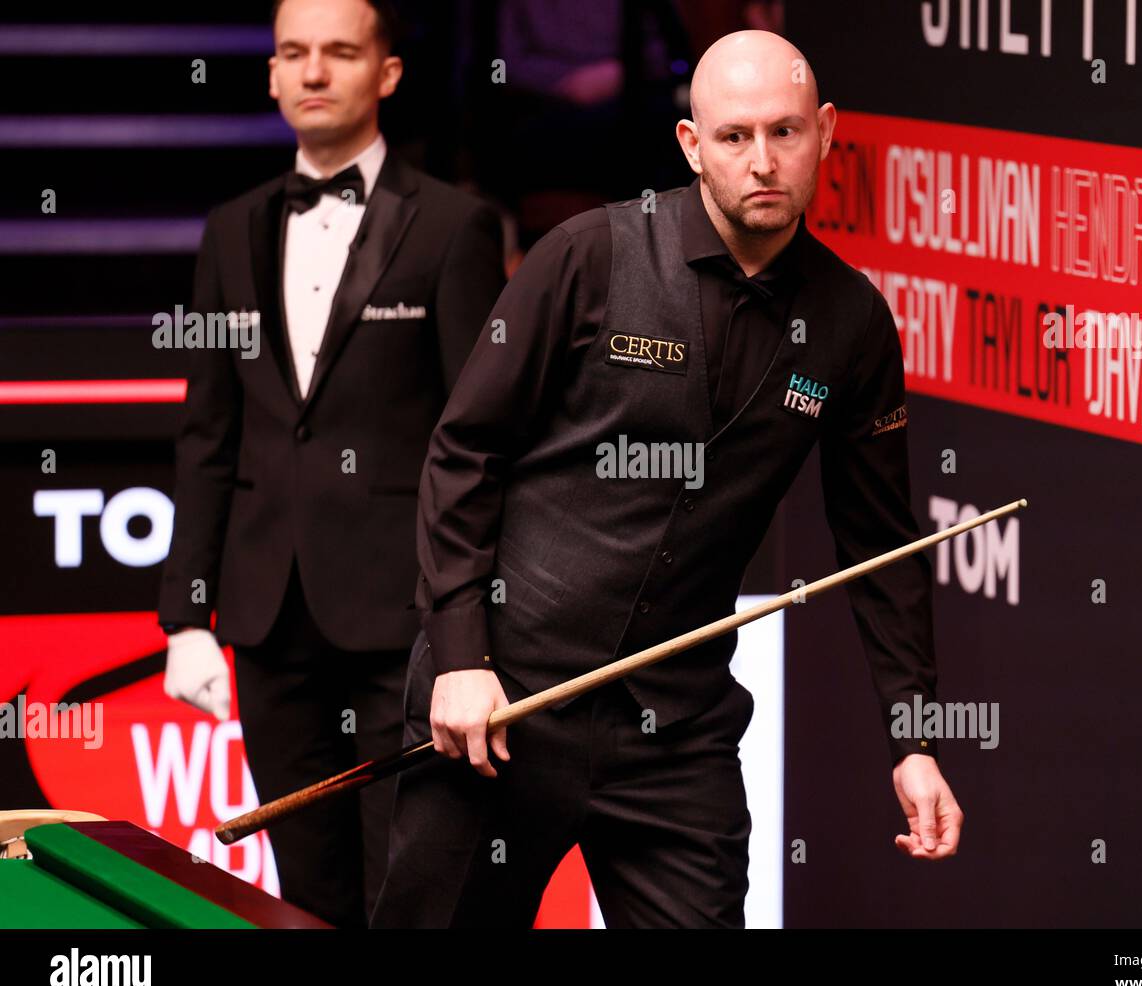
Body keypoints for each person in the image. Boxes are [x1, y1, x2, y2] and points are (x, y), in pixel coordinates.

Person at [372, 29, 961, 929]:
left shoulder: (851, 323)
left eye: (785, 132)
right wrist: (458, 660)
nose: (762, 160)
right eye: (733, 136)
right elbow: (465, 452)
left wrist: (914, 739)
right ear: (691, 145)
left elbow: (881, 546)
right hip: (501, 708)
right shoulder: (587, 257)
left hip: (676, 736)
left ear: (827, 131)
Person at [155, 0, 505, 928]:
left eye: (340, 52)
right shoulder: (230, 230)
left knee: (413, 886)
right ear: (271, 74)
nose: (314, 72)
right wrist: (187, 614)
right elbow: (208, 431)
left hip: (407, 619)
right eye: (294, 54)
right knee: (306, 892)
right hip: (269, 617)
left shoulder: (453, 227)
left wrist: (472, 622)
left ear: (387, 73)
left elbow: (479, 441)